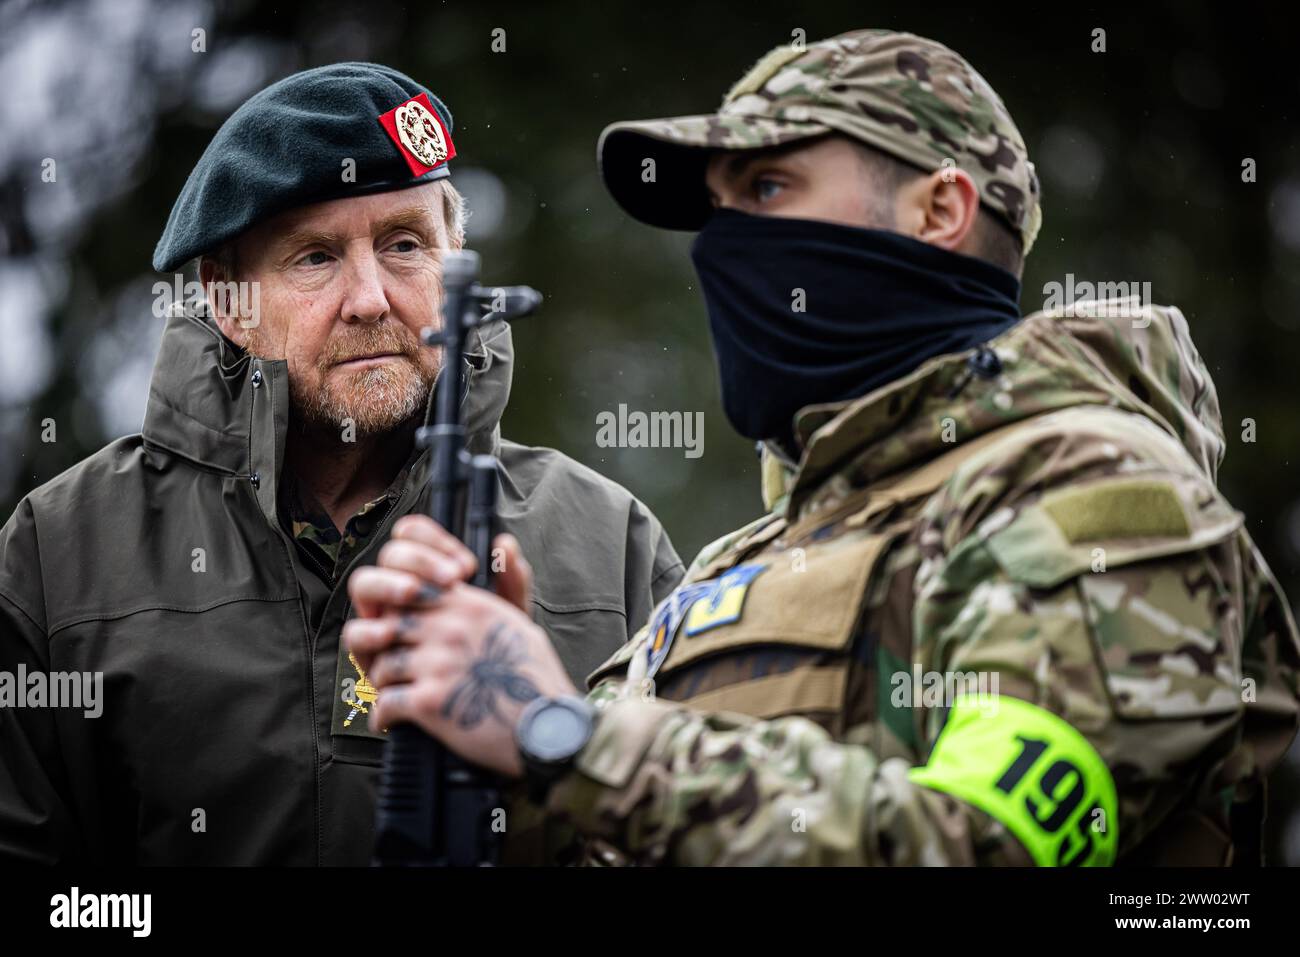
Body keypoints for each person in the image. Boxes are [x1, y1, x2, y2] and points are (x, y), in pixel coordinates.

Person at [345, 30, 1300, 865]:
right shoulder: (737, 565)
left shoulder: (1104, 502)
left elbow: (974, 843)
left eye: (769, 187)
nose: (726, 248)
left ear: (939, 210)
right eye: (719, 209)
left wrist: (562, 735)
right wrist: (485, 758)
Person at [0, 62, 683, 865]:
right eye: (315, 258)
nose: (370, 298)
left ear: (453, 255)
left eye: (404, 244)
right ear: (228, 301)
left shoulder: (611, 541)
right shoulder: (63, 550)